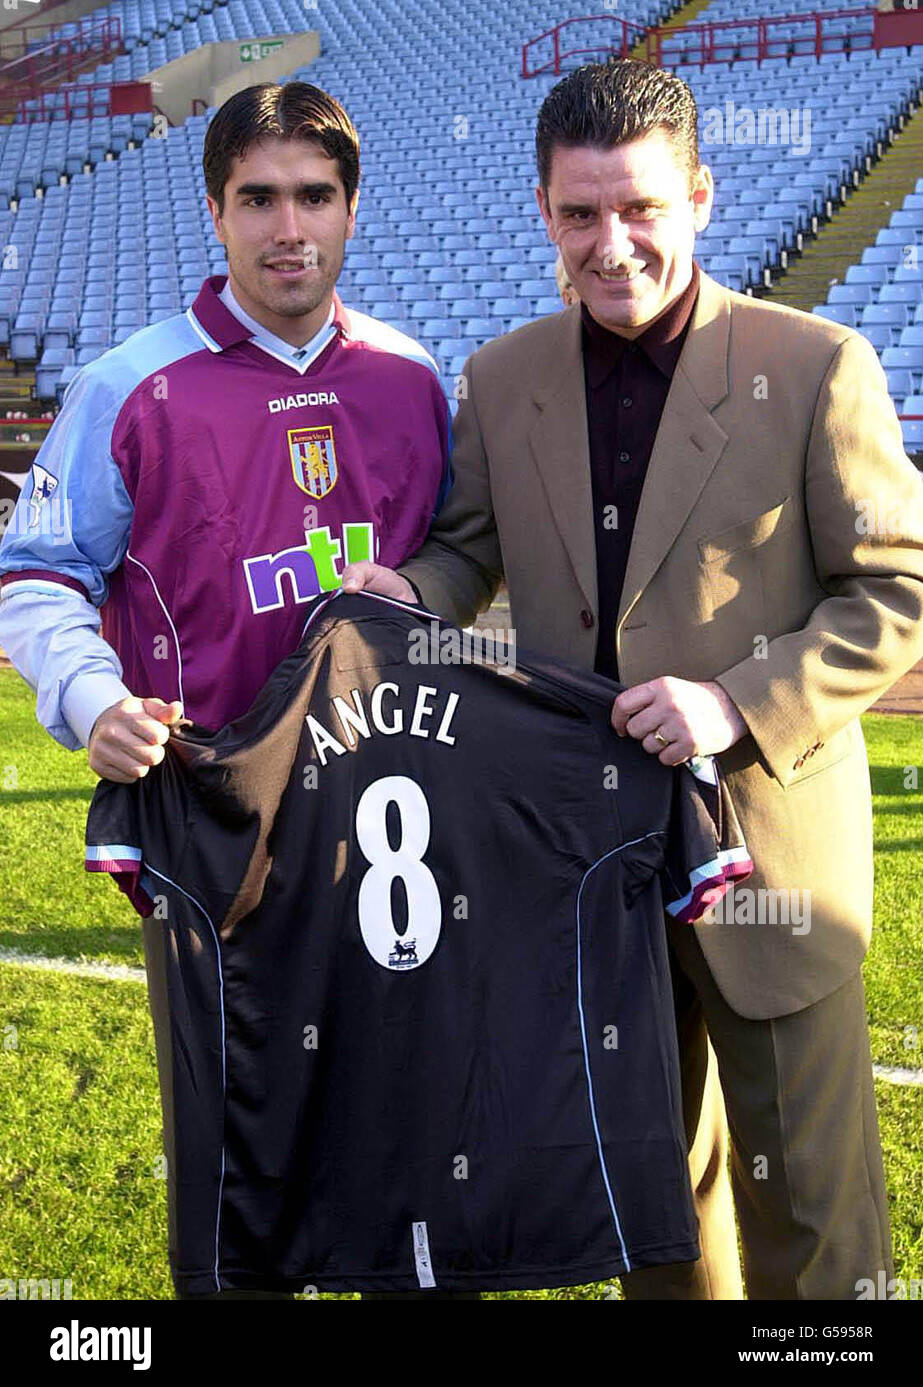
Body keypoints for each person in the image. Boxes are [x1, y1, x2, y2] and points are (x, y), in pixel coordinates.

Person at [342, 58, 923, 1300]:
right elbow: (463, 553)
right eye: (580, 213)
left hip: (766, 860)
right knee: (649, 1201)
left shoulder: (816, 366)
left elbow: (898, 592)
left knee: (810, 1213)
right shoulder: (501, 378)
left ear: (700, 198)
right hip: (584, 866)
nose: (611, 245)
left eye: (641, 207)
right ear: (543, 212)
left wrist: (736, 703)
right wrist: (411, 600)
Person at [0, 80, 452, 1299]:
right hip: (212, 832)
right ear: (216, 211)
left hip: (385, 823)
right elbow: (36, 576)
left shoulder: (412, 380)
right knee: (234, 1159)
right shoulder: (131, 385)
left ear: (352, 210)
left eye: (314, 195)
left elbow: (459, 569)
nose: (287, 227)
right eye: (258, 198)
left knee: (400, 1137)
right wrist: (90, 698)